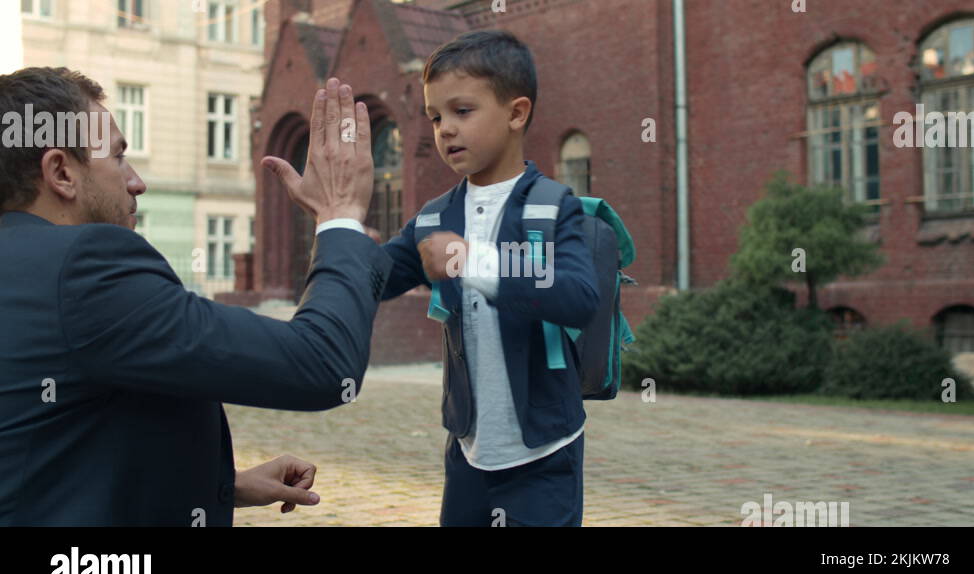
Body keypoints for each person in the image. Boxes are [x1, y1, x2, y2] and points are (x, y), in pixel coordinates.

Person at [0, 67, 390, 526]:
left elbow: (55, 435)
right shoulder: (85, 265)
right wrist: (340, 216)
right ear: (62, 172)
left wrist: (223, 484)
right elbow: (323, 363)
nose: (136, 181)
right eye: (119, 158)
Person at [379, 31, 600, 526]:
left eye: (462, 111)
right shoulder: (435, 218)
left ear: (516, 113)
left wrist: (473, 263)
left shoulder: (552, 205)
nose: (445, 130)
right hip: (468, 453)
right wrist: (338, 225)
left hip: (546, 452)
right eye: (436, 117)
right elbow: (378, 276)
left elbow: (579, 297)